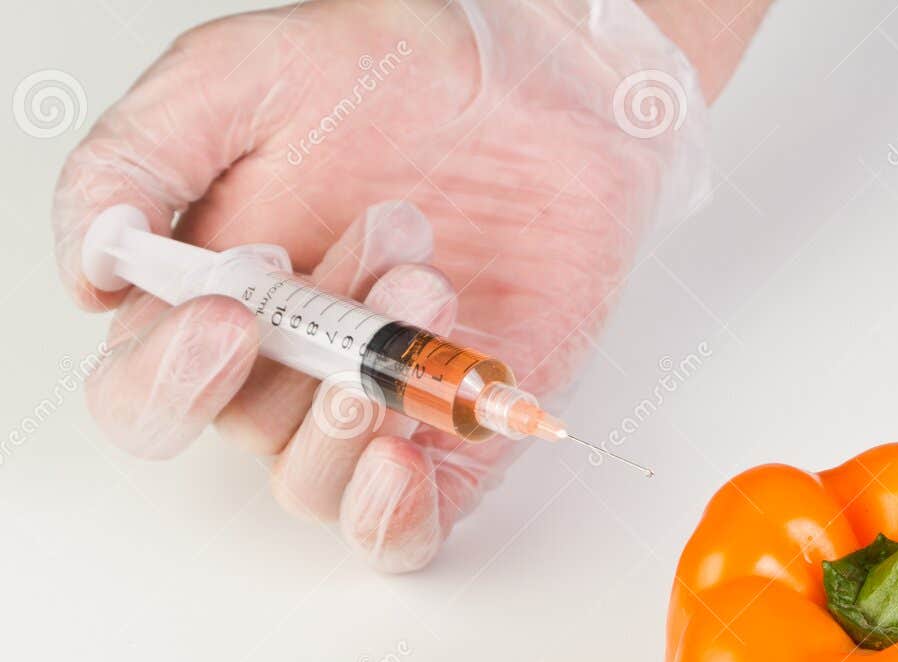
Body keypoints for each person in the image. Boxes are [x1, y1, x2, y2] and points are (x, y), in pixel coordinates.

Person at [51, 0, 768, 571]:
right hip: (231, 285)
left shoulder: (451, 377)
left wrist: (591, 48)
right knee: (245, 353)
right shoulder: (230, 282)